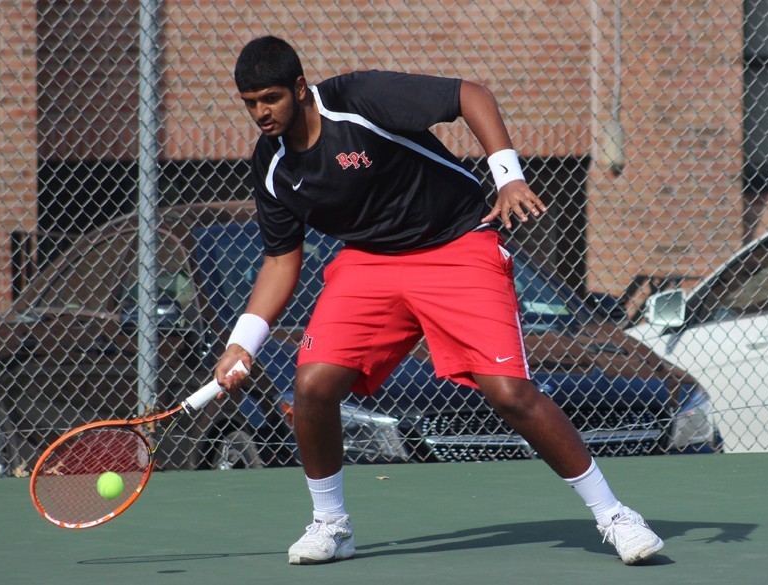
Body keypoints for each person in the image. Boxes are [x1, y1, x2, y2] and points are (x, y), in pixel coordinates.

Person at [214, 35, 664, 566]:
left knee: (510, 393)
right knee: (312, 386)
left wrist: (509, 178)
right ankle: (331, 524)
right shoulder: (272, 165)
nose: (261, 113)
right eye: (250, 104)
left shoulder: (359, 98)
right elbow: (281, 261)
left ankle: (614, 515)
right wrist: (241, 343)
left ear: (299, 88)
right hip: (369, 262)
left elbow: (470, 95)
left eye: (270, 98)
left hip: (456, 243)